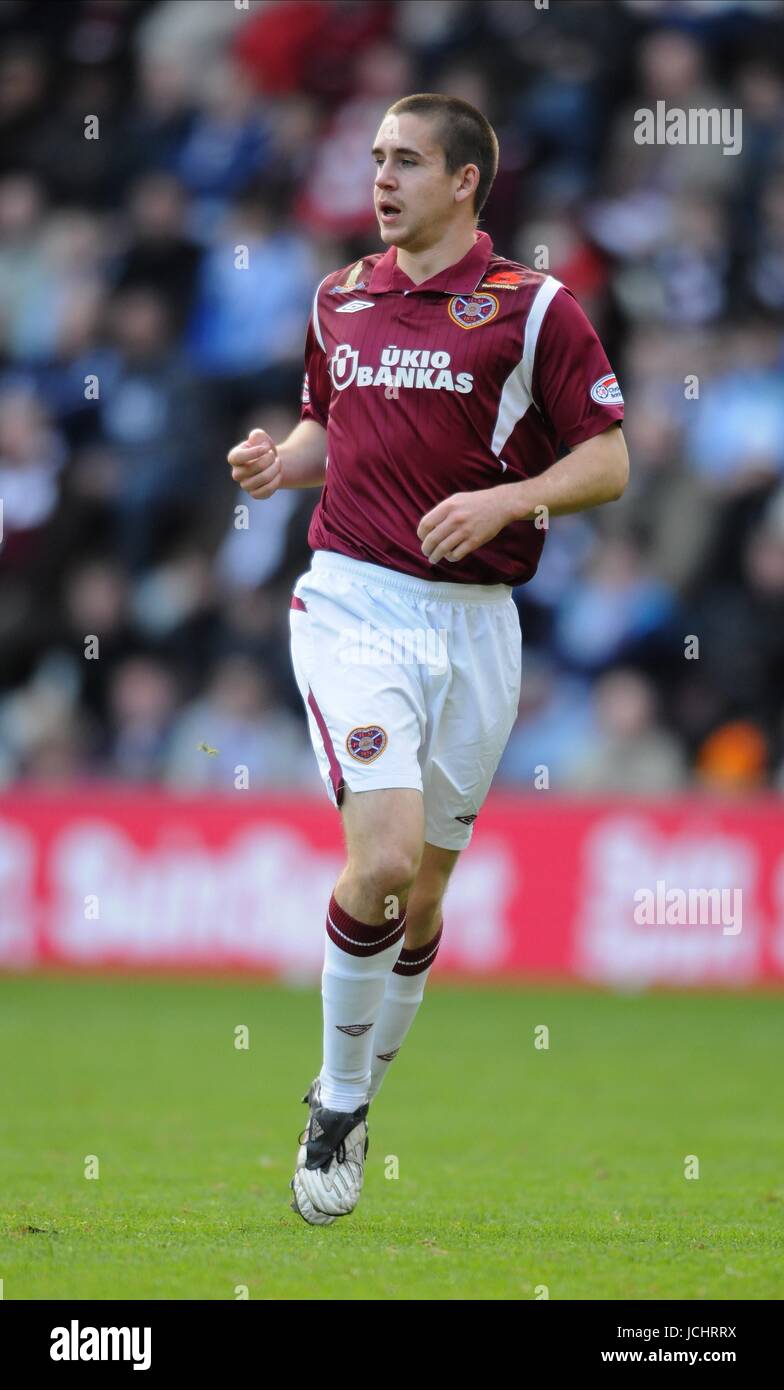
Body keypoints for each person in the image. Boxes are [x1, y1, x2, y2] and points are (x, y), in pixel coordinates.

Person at [227, 93, 629, 1226]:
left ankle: (361, 1092)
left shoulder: (535, 309)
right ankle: (337, 1102)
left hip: (478, 623)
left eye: (406, 160)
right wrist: (279, 463)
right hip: (354, 604)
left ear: (466, 182)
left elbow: (610, 460)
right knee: (387, 856)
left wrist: (511, 495)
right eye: (374, 158)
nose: (381, 177)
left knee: (427, 896)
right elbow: (327, 429)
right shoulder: (339, 296)